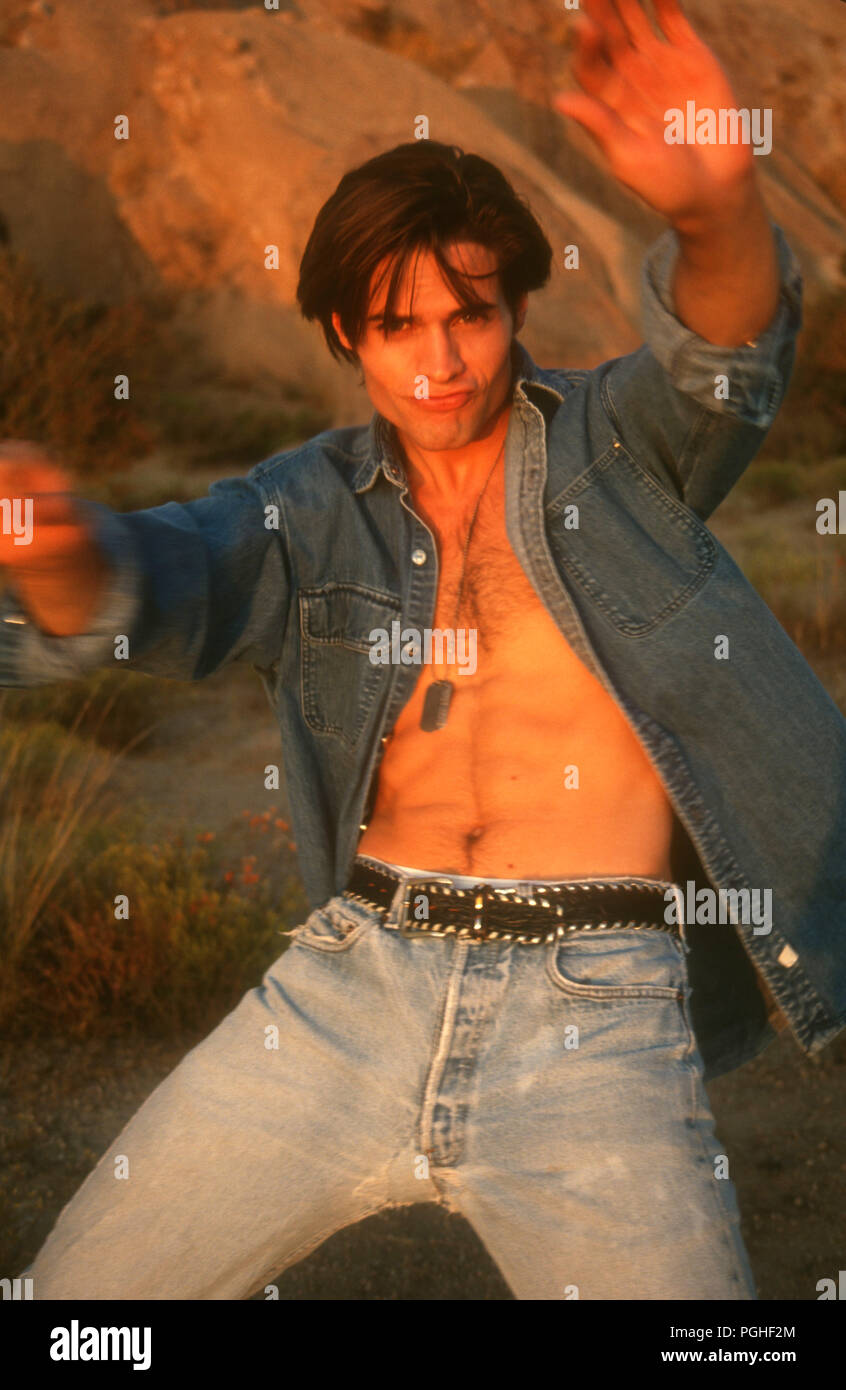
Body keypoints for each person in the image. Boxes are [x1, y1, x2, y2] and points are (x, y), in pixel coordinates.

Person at [2, 0, 843, 1300]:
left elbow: (722, 355)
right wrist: (46, 543)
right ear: (345, 331)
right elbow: (149, 585)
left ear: (514, 310)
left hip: (594, 998)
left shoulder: (613, 448)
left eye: (471, 316)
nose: (441, 363)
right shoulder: (305, 502)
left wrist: (715, 206)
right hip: (354, 976)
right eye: (397, 327)